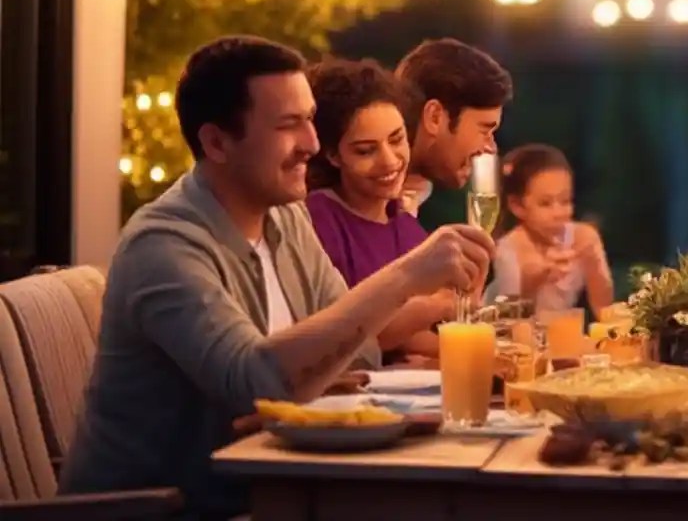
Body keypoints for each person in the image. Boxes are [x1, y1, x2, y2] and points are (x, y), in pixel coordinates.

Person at [60, 37, 494, 520]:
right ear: (217, 142)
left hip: (265, 490)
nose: (311, 143)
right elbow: (256, 379)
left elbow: (361, 347)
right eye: (289, 125)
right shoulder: (164, 245)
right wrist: (407, 277)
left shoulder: (286, 219)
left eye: (310, 119)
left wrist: (290, 393)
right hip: (169, 509)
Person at [304, 58, 453, 358]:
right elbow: (350, 337)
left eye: (397, 140)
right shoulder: (318, 219)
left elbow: (410, 338)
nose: (389, 160)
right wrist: (440, 303)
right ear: (333, 155)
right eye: (366, 150)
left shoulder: (405, 225)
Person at [486, 144, 612, 317]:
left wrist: (595, 265)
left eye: (565, 201)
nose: (558, 213)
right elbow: (508, 319)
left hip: (560, 335)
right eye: (545, 203)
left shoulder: (583, 237)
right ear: (517, 206)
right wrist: (536, 278)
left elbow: (604, 309)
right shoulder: (509, 248)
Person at [394, 37, 513, 193]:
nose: (491, 148)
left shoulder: (414, 194)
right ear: (434, 117)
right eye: (484, 131)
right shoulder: (366, 202)